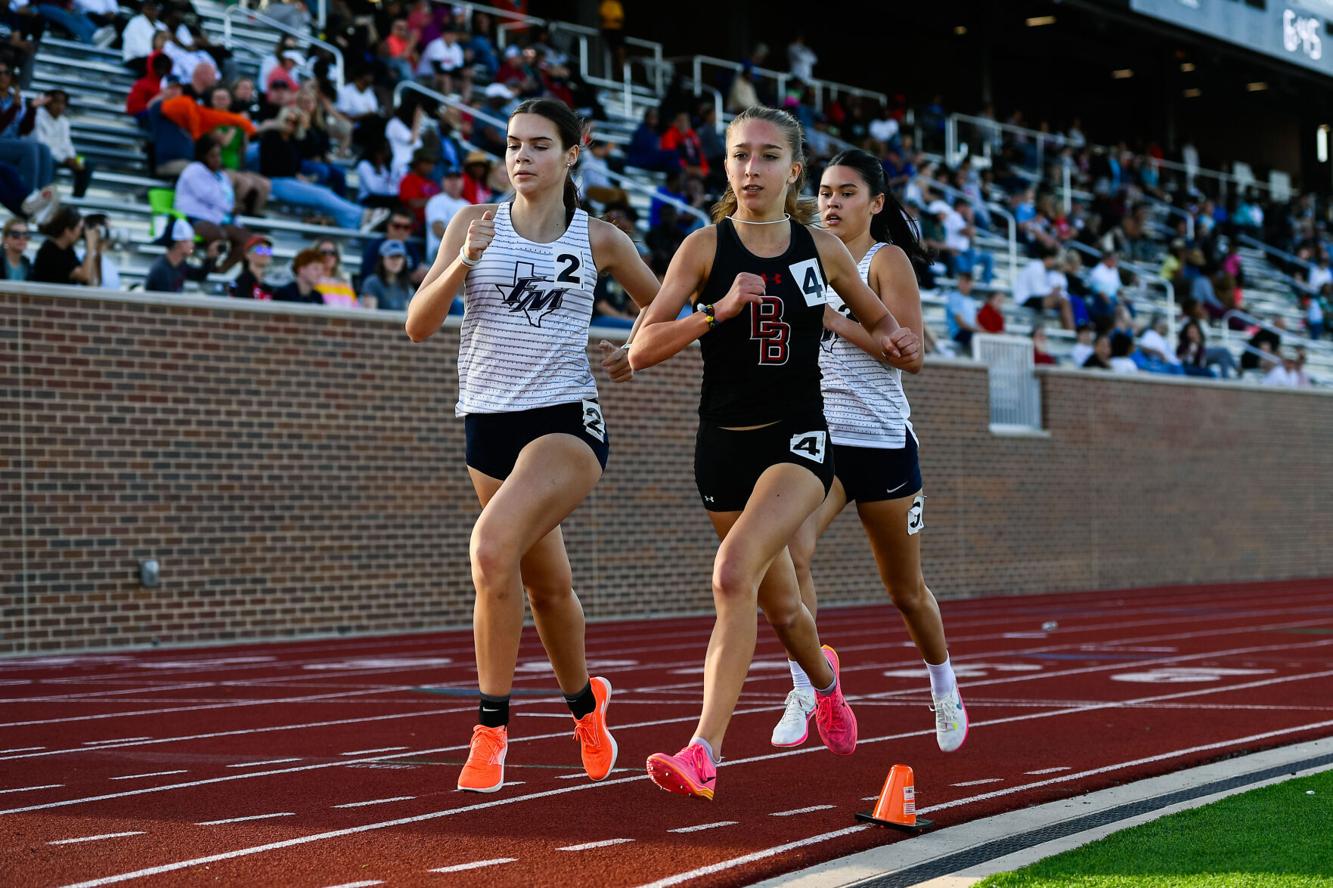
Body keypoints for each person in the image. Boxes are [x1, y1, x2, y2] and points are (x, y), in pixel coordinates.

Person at [627, 107, 919, 800]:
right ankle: (825, 686)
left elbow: (880, 322)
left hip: (798, 440)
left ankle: (703, 752)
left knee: (731, 576)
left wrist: (896, 340)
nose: (749, 168)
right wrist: (714, 312)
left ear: (793, 170)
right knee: (781, 606)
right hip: (721, 446)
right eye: (737, 156)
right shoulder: (702, 248)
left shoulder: (820, 248)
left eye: (765, 156)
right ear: (725, 167)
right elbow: (641, 349)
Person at [405, 98, 660, 795]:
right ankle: (586, 709)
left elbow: (661, 306)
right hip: (487, 424)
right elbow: (417, 325)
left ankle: (490, 730)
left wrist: (631, 353)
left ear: (571, 153)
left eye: (538, 145)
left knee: (490, 551)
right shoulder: (471, 223)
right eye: (513, 144)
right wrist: (462, 262)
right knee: (545, 588)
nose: (521, 156)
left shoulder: (598, 238)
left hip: (566, 423)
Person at [758, 148, 965, 755]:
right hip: (817, 439)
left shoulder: (886, 259)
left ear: (875, 203)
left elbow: (912, 355)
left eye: (846, 193)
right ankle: (807, 684)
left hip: (880, 442)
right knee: (788, 556)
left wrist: (836, 321)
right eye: (824, 192)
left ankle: (944, 686)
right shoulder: (804, 257)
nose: (831, 203)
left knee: (905, 590)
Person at [174, 136, 252, 273]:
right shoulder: (194, 170)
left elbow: (227, 199)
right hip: (192, 218)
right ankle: (204, 269)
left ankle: (220, 271)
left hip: (217, 219)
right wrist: (230, 208)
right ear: (203, 156)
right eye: (212, 156)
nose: (217, 160)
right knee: (218, 235)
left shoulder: (221, 176)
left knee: (247, 240)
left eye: (219, 155)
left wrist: (234, 212)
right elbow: (208, 195)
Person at [144, 218, 222, 292]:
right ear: (177, 243)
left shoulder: (180, 264)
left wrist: (211, 257)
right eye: (188, 241)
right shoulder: (161, 269)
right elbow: (166, 300)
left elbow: (199, 276)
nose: (192, 245)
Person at [33, 206, 99, 286]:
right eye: (79, 228)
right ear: (67, 231)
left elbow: (91, 282)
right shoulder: (50, 251)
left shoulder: (68, 251)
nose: (81, 233)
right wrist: (90, 246)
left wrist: (97, 250)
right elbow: (84, 276)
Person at [424, 167, 469, 260]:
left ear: (463, 181)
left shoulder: (467, 204)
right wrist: (463, 242)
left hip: (463, 255)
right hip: (439, 255)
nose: (454, 182)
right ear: (442, 181)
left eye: (457, 178)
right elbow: (437, 229)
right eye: (449, 178)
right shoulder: (436, 200)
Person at [362, 239, 415, 311]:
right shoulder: (372, 283)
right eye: (391, 256)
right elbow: (370, 315)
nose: (395, 261)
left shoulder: (408, 288)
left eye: (398, 256)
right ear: (382, 259)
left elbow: (408, 316)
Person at [230, 234, 276, 300]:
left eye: (268, 250)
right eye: (260, 250)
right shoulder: (242, 282)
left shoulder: (267, 286)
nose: (265, 253)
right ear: (247, 254)